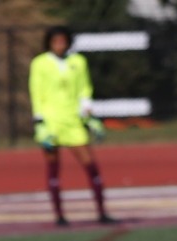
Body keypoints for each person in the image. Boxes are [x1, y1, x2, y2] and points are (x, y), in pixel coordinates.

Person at [30, 26, 115, 226]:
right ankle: (59, 215)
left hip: (73, 121)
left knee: (90, 165)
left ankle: (101, 211)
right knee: (53, 168)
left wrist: (90, 118)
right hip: (51, 123)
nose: (60, 44)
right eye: (55, 41)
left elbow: (84, 91)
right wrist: (40, 123)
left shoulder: (78, 62)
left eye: (63, 40)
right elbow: (36, 93)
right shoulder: (40, 63)